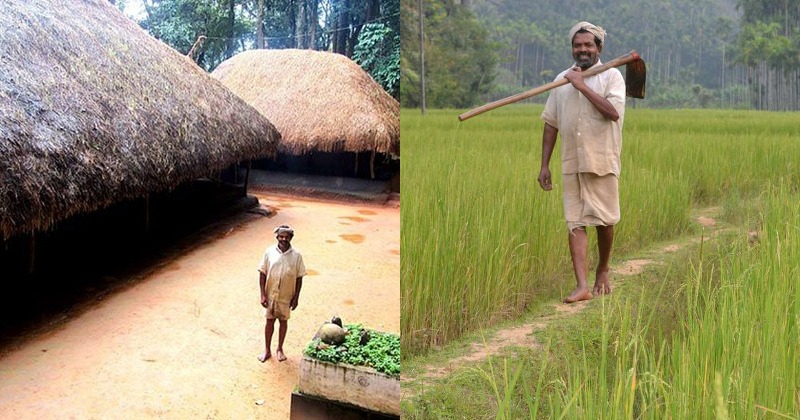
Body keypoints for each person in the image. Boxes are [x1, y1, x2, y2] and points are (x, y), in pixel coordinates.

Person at [537, 21, 626, 304]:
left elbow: (612, 112)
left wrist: (581, 85)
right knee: (574, 222)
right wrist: (544, 164)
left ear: (599, 48)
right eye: (578, 45)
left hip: (601, 159)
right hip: (571, 161)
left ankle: (602, 269)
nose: (583, 50)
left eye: (588, 45)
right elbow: (551, 123)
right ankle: (581, 286)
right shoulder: (561, 79)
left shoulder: (612, 77)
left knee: (605, 220)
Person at [258, 224, 307, 362]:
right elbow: (262, 273)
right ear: (277, 237)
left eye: (286, 237)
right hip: (270, 294)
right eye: (281, 236)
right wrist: (262, 294)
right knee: (269, 321)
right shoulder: (269, 252)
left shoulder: (297, 255)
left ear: (291, 238)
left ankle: (280, 348)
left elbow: (299, 277)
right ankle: (267, 350)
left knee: (283, 321)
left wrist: (296, 297)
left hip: (286, 296)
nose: (283, 239)